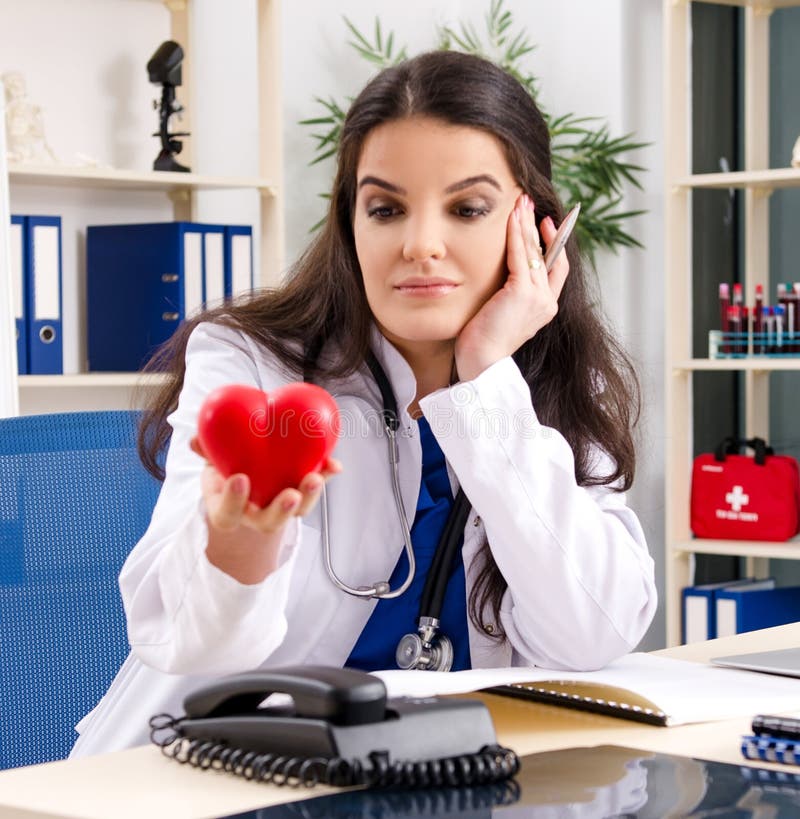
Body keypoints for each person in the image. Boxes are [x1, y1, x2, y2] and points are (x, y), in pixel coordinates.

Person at [71, 49, 657, 757]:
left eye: (466, 208)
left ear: (536, 230)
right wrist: (243, 539)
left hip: (453, 786)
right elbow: (192, 645)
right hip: (229, 780)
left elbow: (593, 630)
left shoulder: (556, 386)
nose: (419, 245)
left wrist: (483, 377)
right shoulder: (250, 362)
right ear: (350, 224)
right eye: (385, 208)